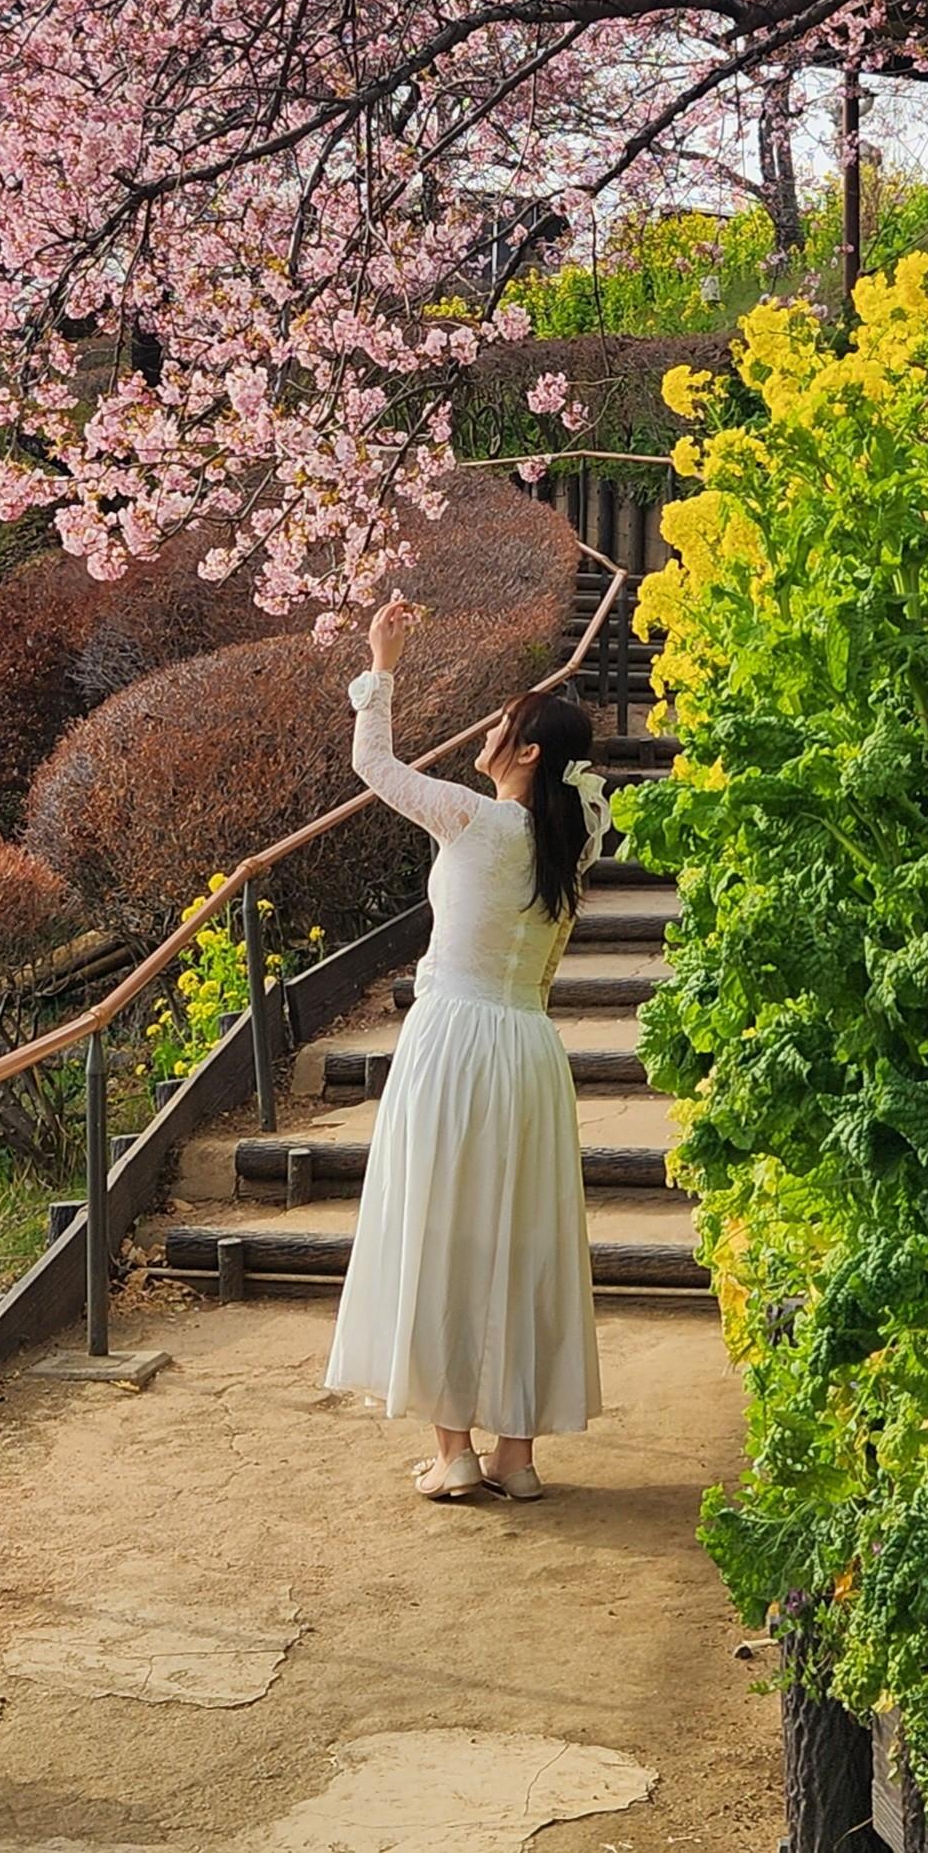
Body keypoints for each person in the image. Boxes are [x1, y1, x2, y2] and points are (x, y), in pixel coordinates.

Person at [324, 592, 606, 1501]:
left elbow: (373, 762)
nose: (487, 732)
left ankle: (454, 1452)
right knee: (521, 1237)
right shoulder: (574, 844)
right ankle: (516, 1456)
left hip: (454, 1040)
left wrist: (383, 660)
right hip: (528, 1048)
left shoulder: (474, 821)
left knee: (445, 1228)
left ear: (525, 753)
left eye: (503, 726)